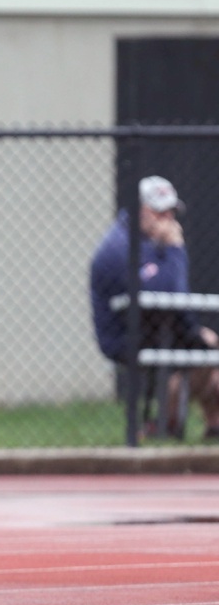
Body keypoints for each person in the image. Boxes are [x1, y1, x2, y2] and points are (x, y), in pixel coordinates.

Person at [90, 175, 219, 438]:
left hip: (156, 326)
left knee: (208, 349)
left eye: (171, 211)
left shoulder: (152, 242)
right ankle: (166, 425)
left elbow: (174, 299)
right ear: (141, 211)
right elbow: (167, 293)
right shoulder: (119, 247)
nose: (168, 218)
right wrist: (175, 250)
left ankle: (213, 426)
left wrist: (192, 331)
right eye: (160, 212)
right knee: (203, 351)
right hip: (126, 335)